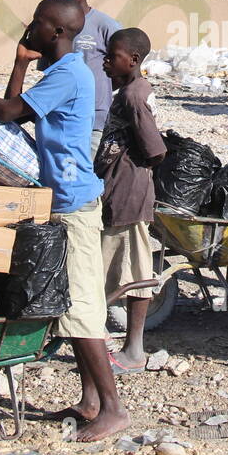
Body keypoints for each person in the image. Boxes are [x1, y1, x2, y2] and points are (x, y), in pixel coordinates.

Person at [0, 0, 128, 442]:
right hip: (61, 200)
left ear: (55, 32)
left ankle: (113, 409)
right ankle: (91, 401)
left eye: (36, 23)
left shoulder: (69, 74)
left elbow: (12, 112)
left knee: (84, 310)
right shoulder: (57, 73)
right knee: (69, 305)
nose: (28, 28)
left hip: (74, 204)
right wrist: (19, 64)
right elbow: (16, 103)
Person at [95, 28, 167, 373]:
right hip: (120, 190)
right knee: (115, 268)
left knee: (134, 271)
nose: (106, 61)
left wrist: (128, 168)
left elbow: (155, 149)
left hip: (128, 192)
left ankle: (134, 351)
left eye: (113, 56)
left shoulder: (134, 96)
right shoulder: (127, 91)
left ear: (133, 60)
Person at [7, 0, 119, 159]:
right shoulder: (51, 27)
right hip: (56, 121)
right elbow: (49, 74)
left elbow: (123, 72)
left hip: (90, 122)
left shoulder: (105, 26)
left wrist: (97, 94)